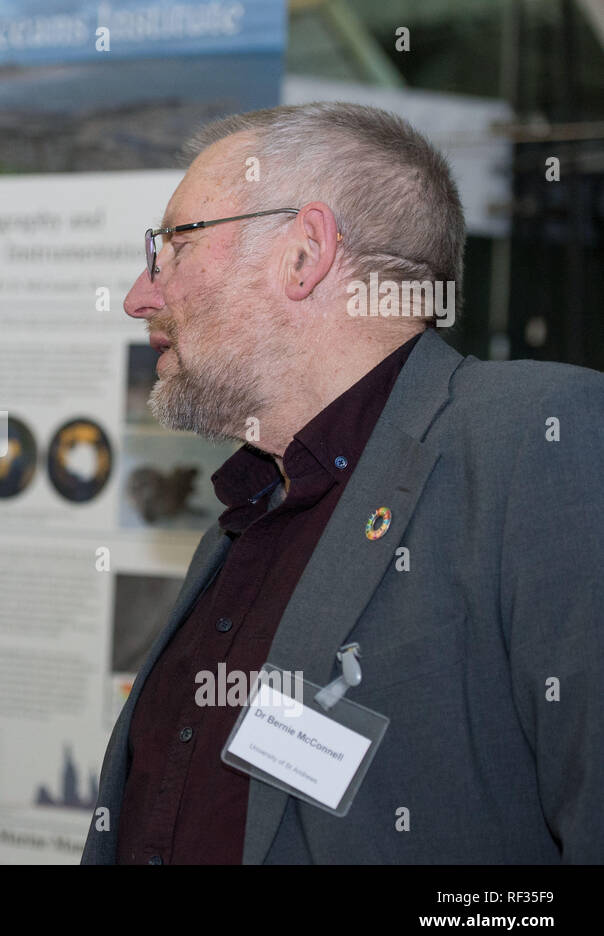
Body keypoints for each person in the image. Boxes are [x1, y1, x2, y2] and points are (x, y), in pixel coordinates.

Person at [83, 102, 604, 864]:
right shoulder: (250, 513)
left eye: (174, 246)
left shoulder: (538, 439)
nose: (140, 294)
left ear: (306, 253)